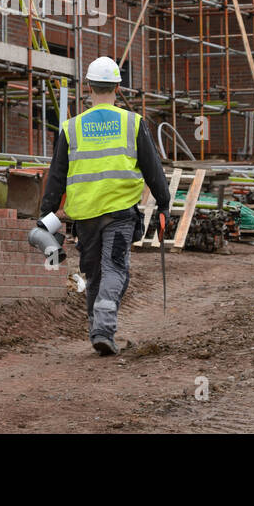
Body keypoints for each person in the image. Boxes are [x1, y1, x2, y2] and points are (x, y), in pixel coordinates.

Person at [37, 56, 173, 357]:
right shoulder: (132, 123)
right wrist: (164, 205)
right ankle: (103, 324)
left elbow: (56, 176)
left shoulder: (71, 128)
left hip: (85, 216)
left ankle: (99, 330)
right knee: (114, 268)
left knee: (95, 273)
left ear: (88, 86)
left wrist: (46, 215)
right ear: (117, 87)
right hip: (120, 213)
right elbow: (153, 169)